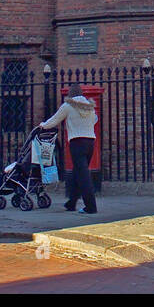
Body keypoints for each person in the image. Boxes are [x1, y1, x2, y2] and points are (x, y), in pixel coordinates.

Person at [39, 85, 98, 214]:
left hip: (77, 142)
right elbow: (94, 120)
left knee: (83, 176)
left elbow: (55, 119)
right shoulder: (90, 107)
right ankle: (71, 203)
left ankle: (91, 207)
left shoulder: (68, 106)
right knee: (78, 172)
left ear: (70, 95)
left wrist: (43, 126)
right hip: (90, 142)